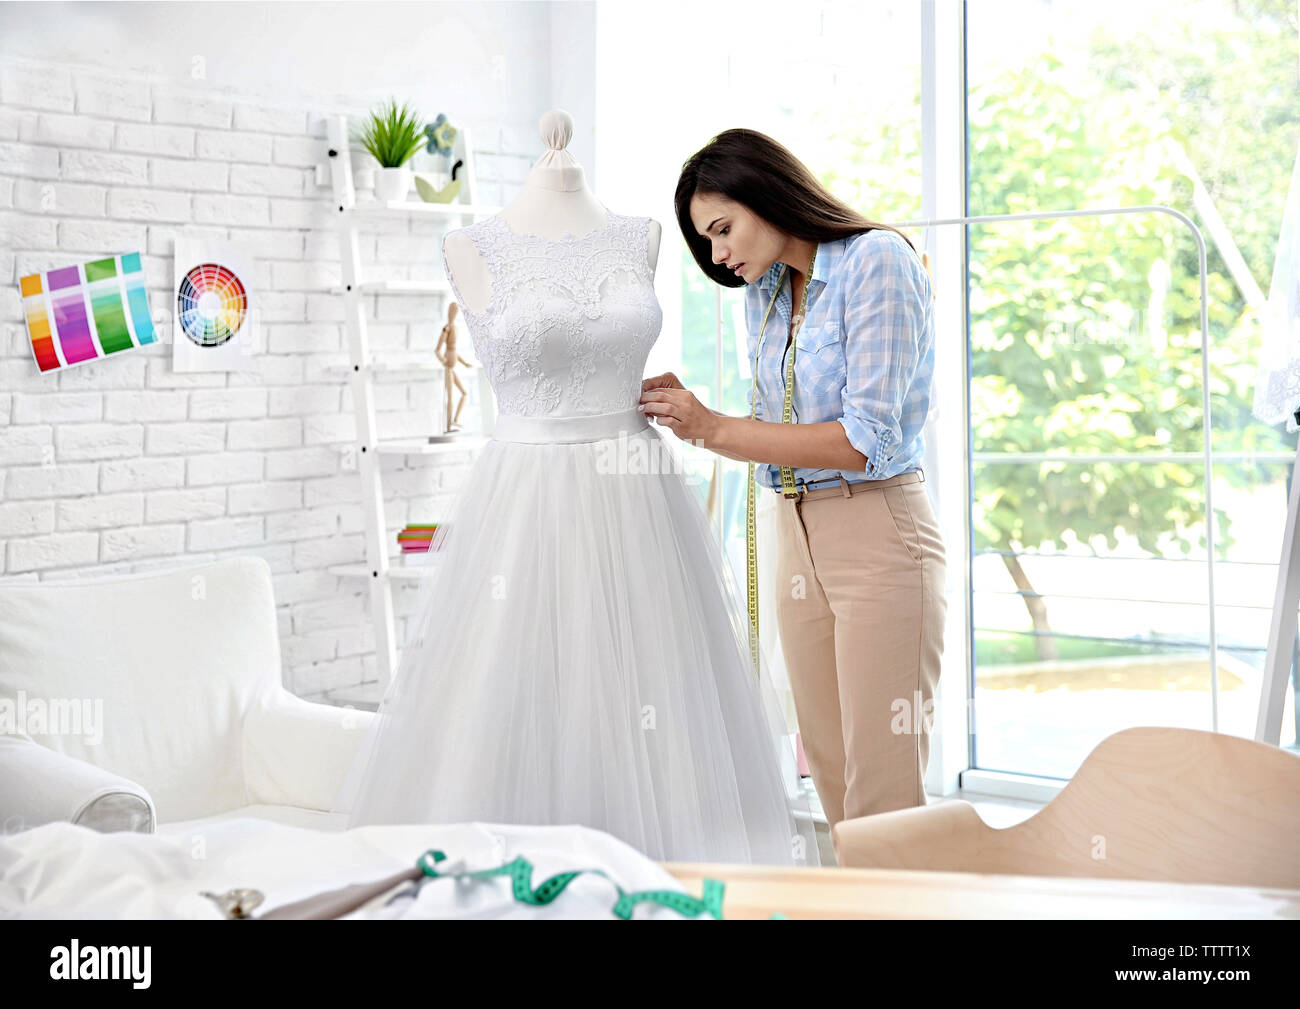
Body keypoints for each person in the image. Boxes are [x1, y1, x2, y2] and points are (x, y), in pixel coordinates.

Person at [639, 128, 947, 831]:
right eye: (708, 242)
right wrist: (694, 417)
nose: (719, 255)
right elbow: (775, 424)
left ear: (767, 194)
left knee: (883, 788)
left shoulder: (878, 261)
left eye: (723, 229)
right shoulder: (769, 291)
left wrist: (711, 427)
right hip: (794, 528)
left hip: (878, 529)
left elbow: (864, 440)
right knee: (829, 776)